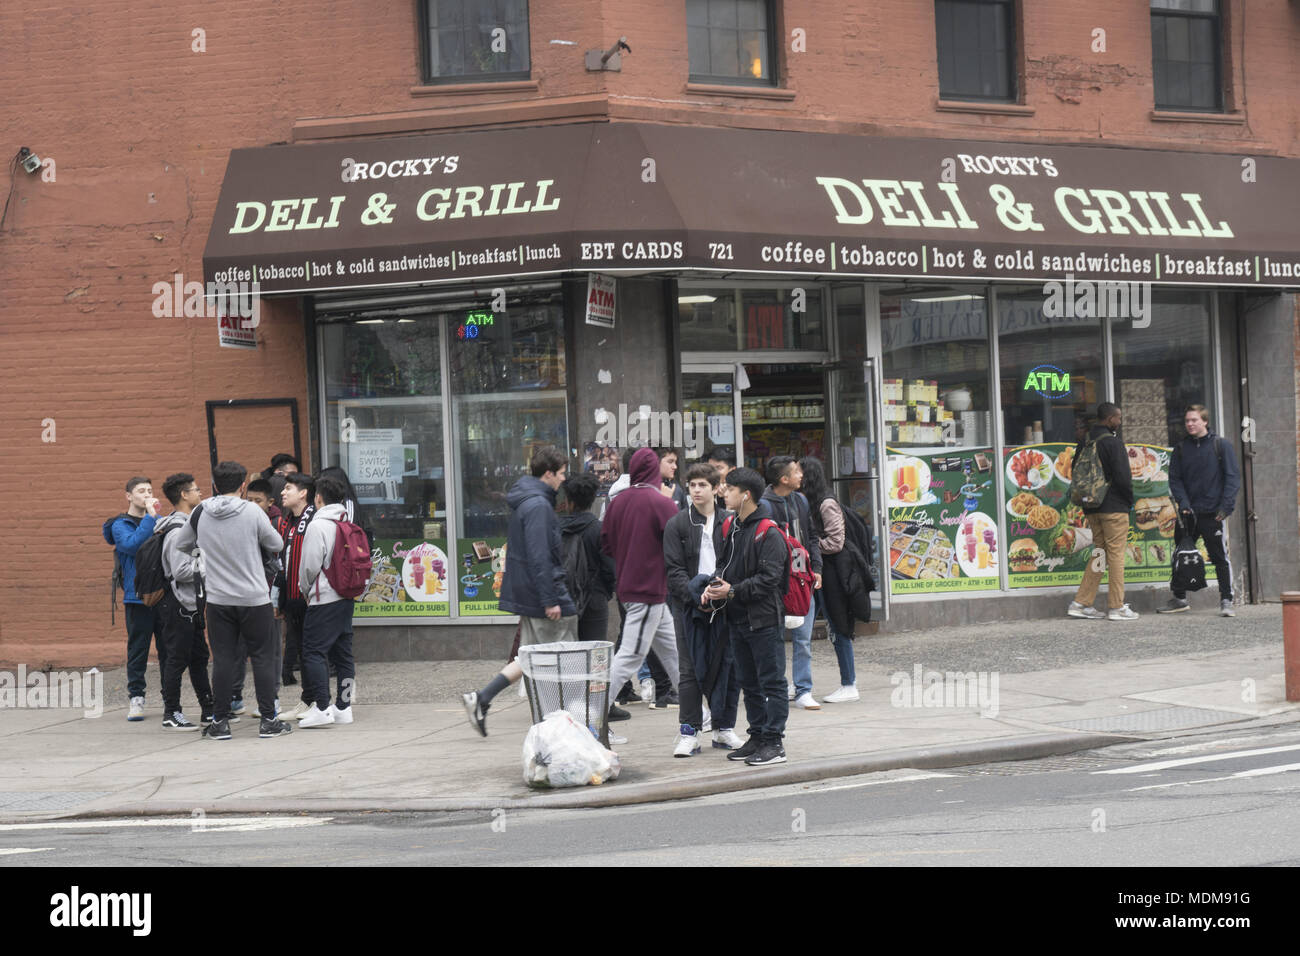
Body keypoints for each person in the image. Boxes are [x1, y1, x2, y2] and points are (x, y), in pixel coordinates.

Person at [172, 461, 292, 739]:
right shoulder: (252, 511)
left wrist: (205, 548)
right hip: (254, 597)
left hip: (218, 599)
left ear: (214, 485)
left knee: (224, 659)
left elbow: (182, 544)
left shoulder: (201, 511)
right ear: (242, 486)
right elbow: (276, 544)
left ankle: (220, 723)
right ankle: (269, 721)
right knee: (262, 658)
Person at [462, 446, 575, 736]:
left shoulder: (529, 500)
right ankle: (556, 725)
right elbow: (540, 556)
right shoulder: (538, 505)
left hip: (532, 593)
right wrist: (550, 599)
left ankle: (482, 698)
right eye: (561, 474)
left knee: (529, 658)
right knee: (561, 662)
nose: (563, 480)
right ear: (548, 473)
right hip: (544, 596)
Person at [703, 467, 790, 767]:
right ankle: (757, 736)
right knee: (748, 683)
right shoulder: (731, 527)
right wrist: (713, 588)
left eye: (729, 488)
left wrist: (731, 591)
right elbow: (722, 567)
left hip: (764, 619)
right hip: (737, 618)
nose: (723, 493)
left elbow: (770, 580)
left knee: (772, 682)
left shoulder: (769, 532)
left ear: (746, 495)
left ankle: (774, 742)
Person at [664, 462, 744, 755]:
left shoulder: (730, 522)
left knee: (728, 668)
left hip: (724, 602)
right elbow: (673, 571)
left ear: (715, 488)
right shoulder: (677, 523)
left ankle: (723, 729)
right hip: (689, 605)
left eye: (702, 485)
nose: (696, 491)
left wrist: (725, 591)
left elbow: (737, 561)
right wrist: (696, 596)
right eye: (692, 485)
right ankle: (689, 731)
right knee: (689, 670)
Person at [601, 448, 681, 730]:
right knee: (631, 655)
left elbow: (606, 544)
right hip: (649, 590)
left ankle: (703, 714)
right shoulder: (661, 503)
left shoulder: (617, 501)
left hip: (630, 588)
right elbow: (677, 545)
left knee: (673, 654)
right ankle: (591, 712)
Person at [1158, 404, 1241, 616]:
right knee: (1180, 554)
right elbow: (1175, 479)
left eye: (1194, 420)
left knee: (1219, 557)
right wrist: (1183, 504)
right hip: (1188, 514)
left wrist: (1225, 508)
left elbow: (1232, 478)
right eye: (1187, 421)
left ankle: (1226, 600)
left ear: (1205, 421)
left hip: (1213, 513)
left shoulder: (1220, 445)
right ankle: (1179, 598)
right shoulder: (1181, 448)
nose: (1190, 424)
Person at [798, 456, 864, 702]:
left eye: (799, 473)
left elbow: (836, 542)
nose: (795, 477)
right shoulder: (808, 502)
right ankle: (801, 683)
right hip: (818, 570)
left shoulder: (826, 503)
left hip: (833, 573)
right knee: (801, 628)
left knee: (838, 627)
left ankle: (850, 683)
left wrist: (808, 547)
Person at [296, 475, 359, 728]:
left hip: (323, 598)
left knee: (313, 651)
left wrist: (304, 589)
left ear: (318, 497)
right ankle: (343, 707)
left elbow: (309, 565)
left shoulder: (318, 525)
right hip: (346, 596)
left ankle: (322, 707)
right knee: (344, 655)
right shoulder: (348, 523)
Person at [761, 456, 823, 709]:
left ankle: (803, 689)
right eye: (796, 472)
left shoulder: (802, 500)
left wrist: (816, 568)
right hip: (775, 582)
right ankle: (773, 688)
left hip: (802, 579)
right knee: (773, 639)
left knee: (803, 638)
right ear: (783, 479)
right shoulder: (765, 505)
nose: (801, 475)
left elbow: (811, 536)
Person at [1066, 402, 1138, 621]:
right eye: (1118, 418)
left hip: (1091, 508)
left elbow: (1075, 473)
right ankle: (1117, 606)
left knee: (1101, 553)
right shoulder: (1113, 443)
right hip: (1114, 508)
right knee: (1116, 555)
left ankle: (1081, 603)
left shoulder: (1084, 443)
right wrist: (1129, 502)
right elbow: (1124, 479)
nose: (1120, 421)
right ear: (1109, 420)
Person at [154, 473, 214, 729]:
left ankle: (209, 710)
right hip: (178, 604)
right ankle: (171, 712)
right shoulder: (177, 530)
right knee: (176, 660)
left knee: (199, 658)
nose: (200, 494)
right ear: (183, 495)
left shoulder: (186, 525)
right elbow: (180, 571)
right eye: (195, 490)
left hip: (190, 605)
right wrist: (208, 568)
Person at [104, 476, 166, 721]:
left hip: (162, 593)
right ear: (129, 496)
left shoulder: (159, 520)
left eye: (150, 490)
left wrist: (156, 518)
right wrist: (151, 517)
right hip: (136, 596)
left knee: (168, 649)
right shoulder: (121, 524)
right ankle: (136, 698)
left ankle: (170, 698)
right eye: (141, 491)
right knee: (139, 649)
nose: (147, 494)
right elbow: (132, 546)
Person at [559, 473, 617, 643]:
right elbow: (610, 569)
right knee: (594, 654)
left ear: (569, 501)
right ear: (592, 500)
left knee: (565, 653)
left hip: (564, 599)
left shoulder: (556, 529)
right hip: (595, 599)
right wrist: (605, 593)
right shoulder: (599, 530)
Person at [276, 473, 316, 712]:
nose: (282, 492)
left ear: (303, 493)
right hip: (292, 598)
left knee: (311, 650)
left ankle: (317, 701)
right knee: (302, 650)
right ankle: (308, 699)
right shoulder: (288, 521)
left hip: (310, 598)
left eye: (288, 488)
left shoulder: (313, 519)